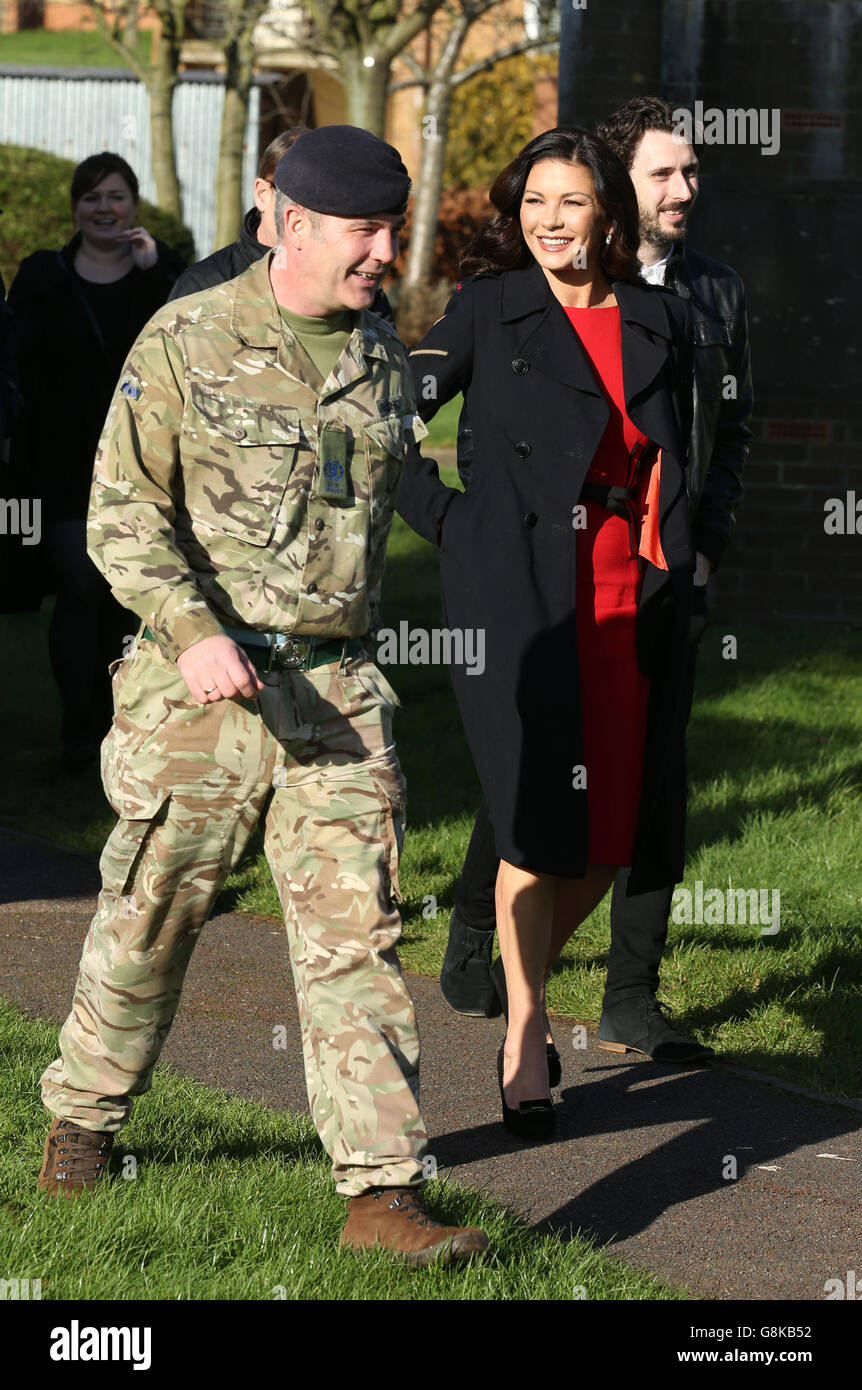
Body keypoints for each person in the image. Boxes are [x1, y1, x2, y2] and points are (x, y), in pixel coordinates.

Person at [35, 125, 489, 1267]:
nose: (386, 250)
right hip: (201, 695)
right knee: (152, 914)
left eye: (393, 229)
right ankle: (84, 1119)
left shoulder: (382, 359)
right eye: (363, 230)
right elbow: (120, 515)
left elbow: (395, 499)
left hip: (335, 691)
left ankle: (381, 1191)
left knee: (357, 933)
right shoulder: (188, 337)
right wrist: (190, 632)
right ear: (288, 223)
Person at [439, 98, 752, 1065]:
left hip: (654, 581)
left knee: (644, 794)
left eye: (692, 173)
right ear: (625, 191)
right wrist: (459, 523)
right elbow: (429, 412)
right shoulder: (504, 302)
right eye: (663, 173)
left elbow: (725, 431)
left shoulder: (702, 297)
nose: (683, 190)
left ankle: (627, 996)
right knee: (533, 783)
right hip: (542, 581)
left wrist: (704, 545)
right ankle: (494, 974)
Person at [396, 127, 695, 1139]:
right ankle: (525, 1031)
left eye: (569, 202)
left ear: (608, 213)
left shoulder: (660, 314)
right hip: (517, 590)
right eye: (533, 203)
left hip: (628, 589)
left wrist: (684, 550)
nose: (550, 221)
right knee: (533, 819)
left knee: (610, 831)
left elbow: (679, 448)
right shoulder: (487, 308)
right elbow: (391, 418)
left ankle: (522, 973)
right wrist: (448, 520)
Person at [7, 152, 185, 767]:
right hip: (61, 464)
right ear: (75, 208)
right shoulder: (42, 276)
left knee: (127, 591)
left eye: (115, 196)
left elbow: (194, 337)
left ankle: (122, 723)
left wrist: (156, 269)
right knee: (80, 584)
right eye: (91, 197)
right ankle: (78, 728)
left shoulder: (161, 276)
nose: (104, 208)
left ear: (134, 206)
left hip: (142, 462)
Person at [169, 129, 395, 325]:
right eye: (294, 195)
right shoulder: (204, 285)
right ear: (262, 193)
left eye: (323, 200)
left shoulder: (356, 283)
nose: (310, 210)